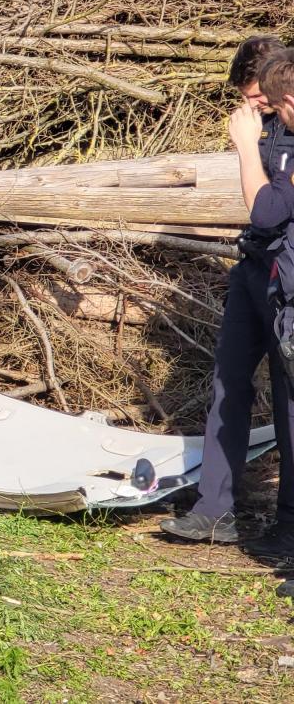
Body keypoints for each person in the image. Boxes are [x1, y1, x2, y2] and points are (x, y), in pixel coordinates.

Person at [160, 37, 294, 545]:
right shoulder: (264, 128)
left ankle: (289, 524)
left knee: (289, 399)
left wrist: (245, 149)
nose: (252, 109)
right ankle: (214, 509)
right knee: (228, 383)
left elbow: (266, 207)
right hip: (253, 269)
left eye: (260, 99)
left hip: (289, 280)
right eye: (246, 99)